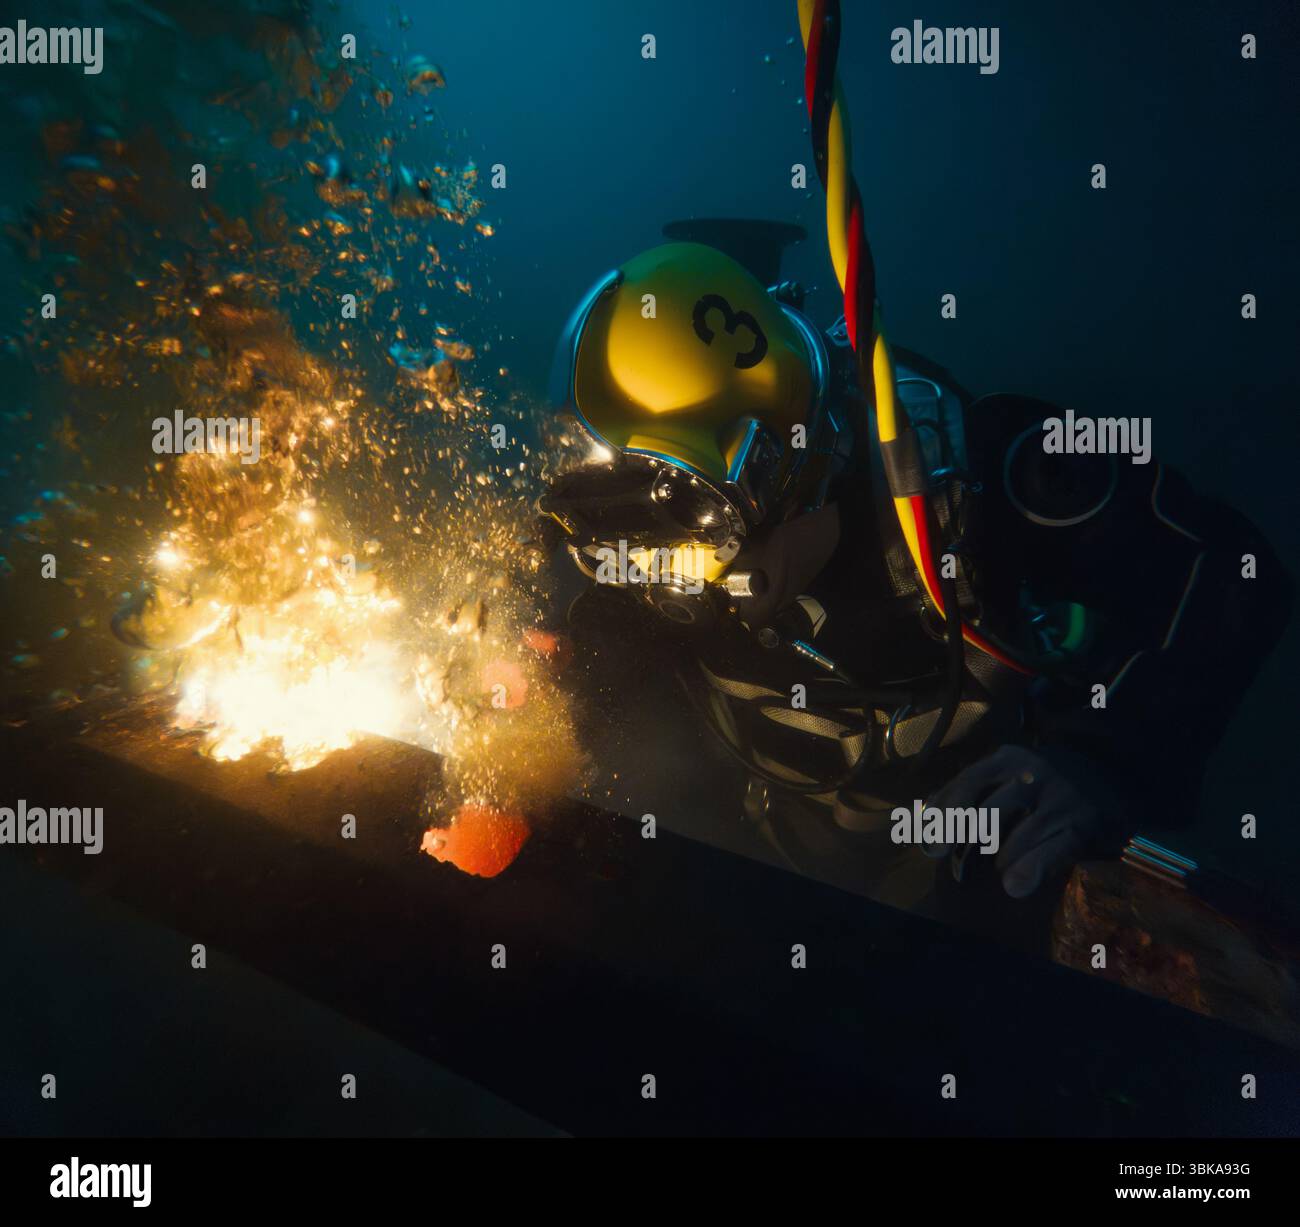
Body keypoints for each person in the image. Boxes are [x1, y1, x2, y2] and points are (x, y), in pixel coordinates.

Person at [534, 220, 1291, 920]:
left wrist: (1102, 759)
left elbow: (1234, 572)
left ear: (784, 465)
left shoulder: (1000, 478)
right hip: (752, 836)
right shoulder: (631, 562)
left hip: (950, 864)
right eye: (620, 521)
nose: (664, 571)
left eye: (696, 515)